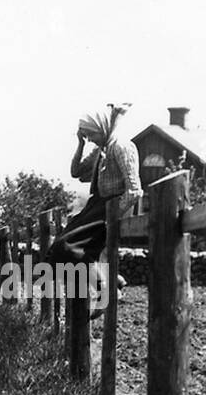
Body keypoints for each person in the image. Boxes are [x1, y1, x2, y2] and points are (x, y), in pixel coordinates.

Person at [47, 103, 141, 315]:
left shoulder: (121, 147)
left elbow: (135, 191)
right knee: (58, 247)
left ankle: (107, 289)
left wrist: (112, 217)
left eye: (91, 135)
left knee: (69, 248)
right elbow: (76, 172)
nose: (91, 140)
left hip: (111, 207)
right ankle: (110, 280)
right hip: (96, 206)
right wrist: (80, 144)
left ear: (103, 127)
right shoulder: (102, 150)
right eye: (87, 136)